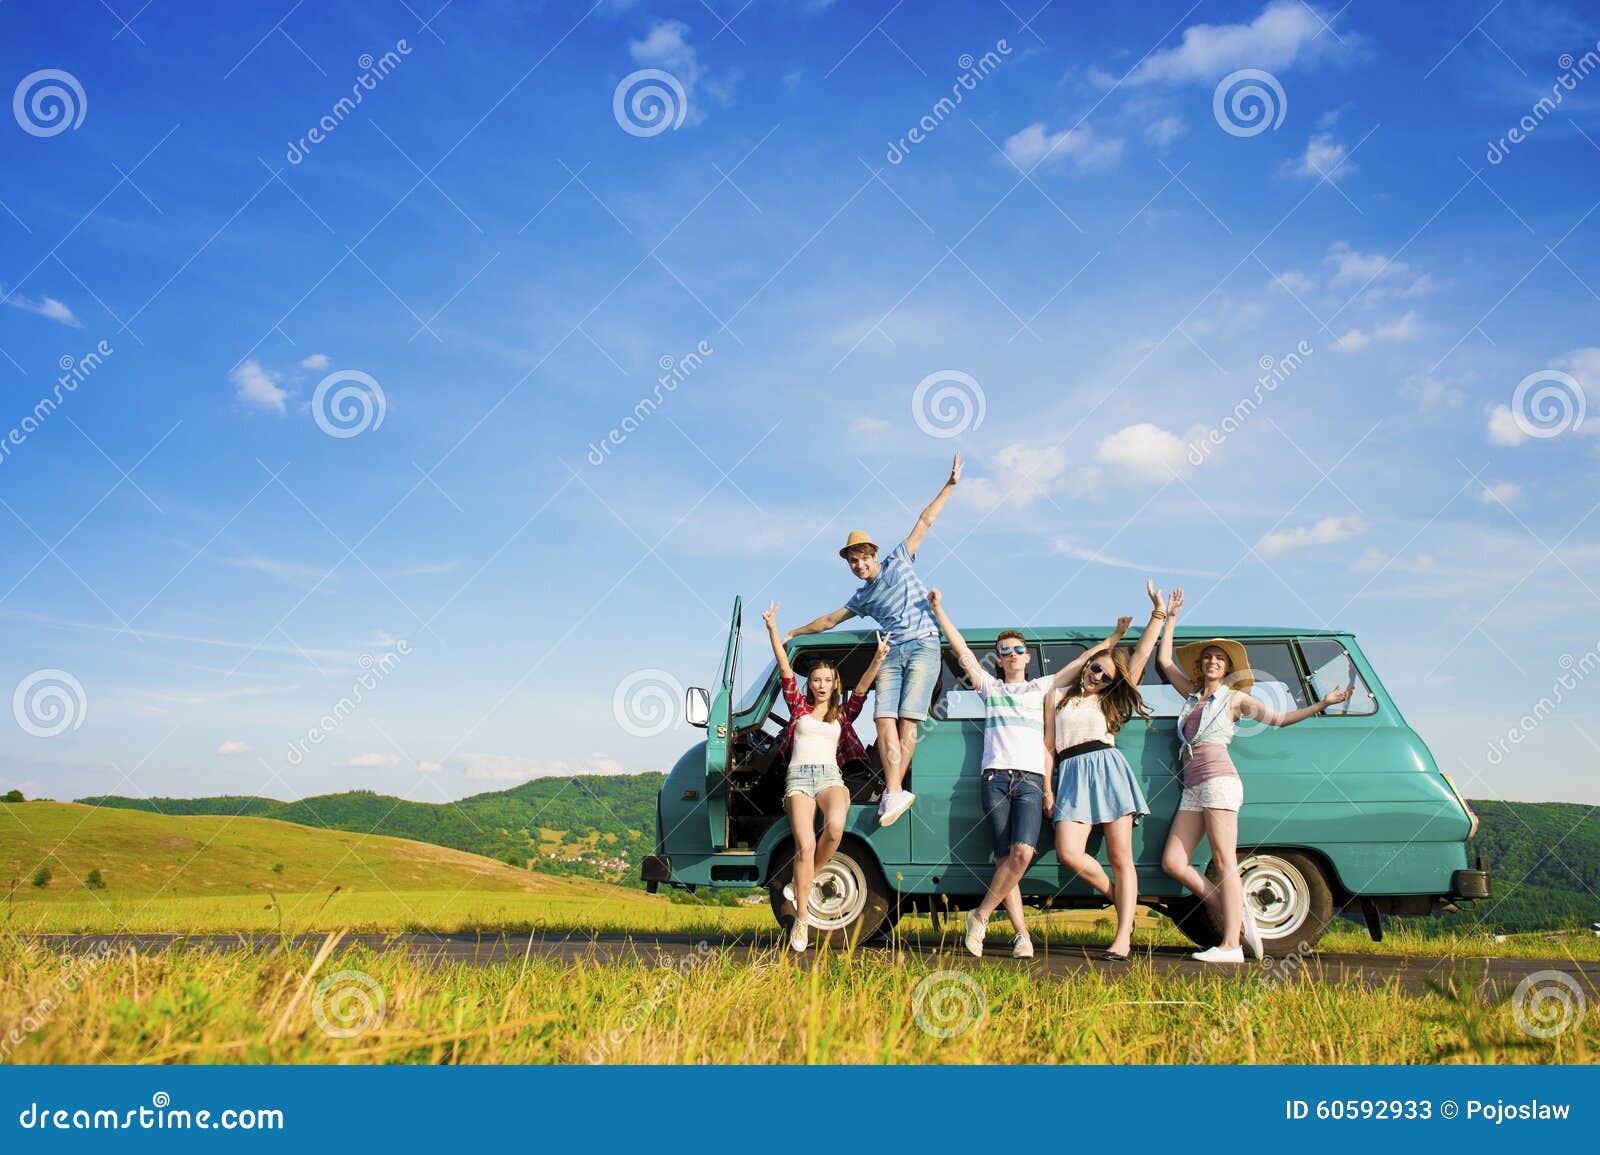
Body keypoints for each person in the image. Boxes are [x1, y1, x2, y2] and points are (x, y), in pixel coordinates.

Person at [1156, 589, 1352, 963]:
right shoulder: (1191, 695)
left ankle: (1231, 945)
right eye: (1208, 658)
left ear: (1228, 669)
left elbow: (1278, 719)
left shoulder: (1234, 699)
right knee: (1174, 863)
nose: (1212, 662)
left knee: (1224, 860)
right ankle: (1238, 914)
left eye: (1219, 659)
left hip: (1219, 781)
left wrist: (1322, 704)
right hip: (1192, 786)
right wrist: (1170, 617)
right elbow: (1164, 661)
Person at [928, 588, 1121, 959]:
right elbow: (963, 652)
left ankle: (980, 916)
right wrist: (939, 610)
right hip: (995, 778)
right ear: (998, 661)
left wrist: (1113, 639)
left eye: (1018, 650)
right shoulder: (991, 689)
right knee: (1006, 861)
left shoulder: (1040, 688)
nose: (1012, 654)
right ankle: (1022, 936)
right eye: (1005, 652)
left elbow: (1082, 662)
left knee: (1023, 853)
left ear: (1027, 657)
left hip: (1031, 780)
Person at [782, 453, 961, 827]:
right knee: (883, 720)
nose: (859, 565)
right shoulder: (862, 598)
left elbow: (925, 521)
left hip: (924, 644)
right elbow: (831, 620)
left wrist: (949, 485)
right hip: (892, 652)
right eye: (852, 562)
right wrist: (795, 632)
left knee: (908, 721)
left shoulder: (899, 559)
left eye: (863, 558)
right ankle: (894, 790)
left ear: (874, 555)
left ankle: (893, 790)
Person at [1044, 582, 1170, 961]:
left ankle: (1122, 939)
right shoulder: (1056, 697)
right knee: (1069, 852)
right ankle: (1121, 901)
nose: (1098, 676)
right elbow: (1049, 746)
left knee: (1120, 859)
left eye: (1106, 675)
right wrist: (1048, 790)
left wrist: (1157, 615)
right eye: (1096, 668)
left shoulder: (1110, 700)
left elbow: (1143, 655)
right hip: (1069, 773)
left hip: (1108, 769)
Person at [761, 601, 889, 952]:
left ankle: (806, 879)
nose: (820, 684)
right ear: (810, 684)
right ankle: (801, 922)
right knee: (804, 845)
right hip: (799, 780)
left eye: (827, 680)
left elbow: (862, 689)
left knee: (834, 829)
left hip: (831, 778)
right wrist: (774, 629)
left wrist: (878, 658)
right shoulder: (798, 708)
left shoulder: (842, 715)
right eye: (816, 680)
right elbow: (785, 668)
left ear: (835, 685)